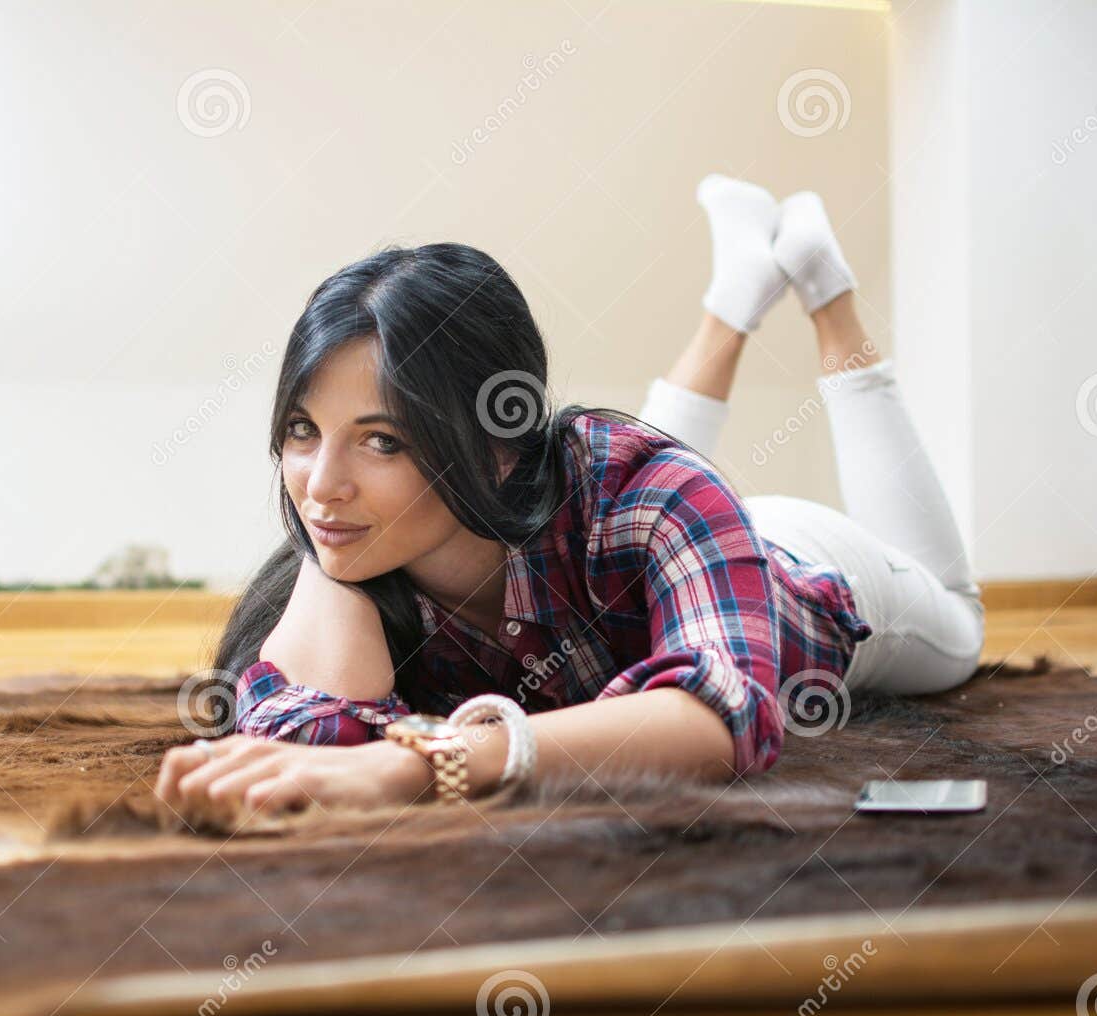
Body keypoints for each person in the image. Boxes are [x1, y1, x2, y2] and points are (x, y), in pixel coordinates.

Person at [154, 176, 985, 831]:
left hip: (797, 568)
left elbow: (718, 720)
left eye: (384, 441)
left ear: (495, 443)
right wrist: (333, 568)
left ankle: (825, 288)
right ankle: (735, 292)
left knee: (959, 629)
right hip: (596, 528)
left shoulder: (653, 494)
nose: (319, 483)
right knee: (600, 510)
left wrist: (427, 758)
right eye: (304, 429)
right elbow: (299, 752)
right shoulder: (357, 534)